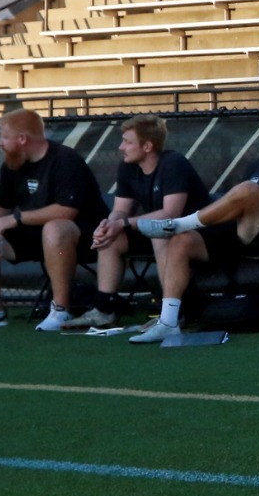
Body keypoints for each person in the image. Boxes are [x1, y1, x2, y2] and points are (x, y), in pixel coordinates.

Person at [131, 106, 259, 342]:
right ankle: (169, 321)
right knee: (181, 241)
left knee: (249, 190)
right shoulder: (256, 166)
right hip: (238, 233)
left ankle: (181, 222)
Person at [0, 109, 107, 332]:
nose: (0, 143)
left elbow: (66, 211)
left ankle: (60, 309)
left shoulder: (65, 160)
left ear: (22, 139)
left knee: (54, 229)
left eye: (4, 137)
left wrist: (16, 218)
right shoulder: (13, 163)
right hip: (36, 235)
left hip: (82, 239)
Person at [90, 115, 214, 342]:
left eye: (127, 142)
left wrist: (122, 223)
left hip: (198, 236)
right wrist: (108, 224)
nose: (120, 147)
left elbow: (170, 214)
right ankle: (104, 310)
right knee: (112, 236)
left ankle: (173, 315)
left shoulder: (174, 163)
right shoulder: (127, 167)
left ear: (147, 146)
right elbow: (120, 210)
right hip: (158, 234)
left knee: (159, 231)